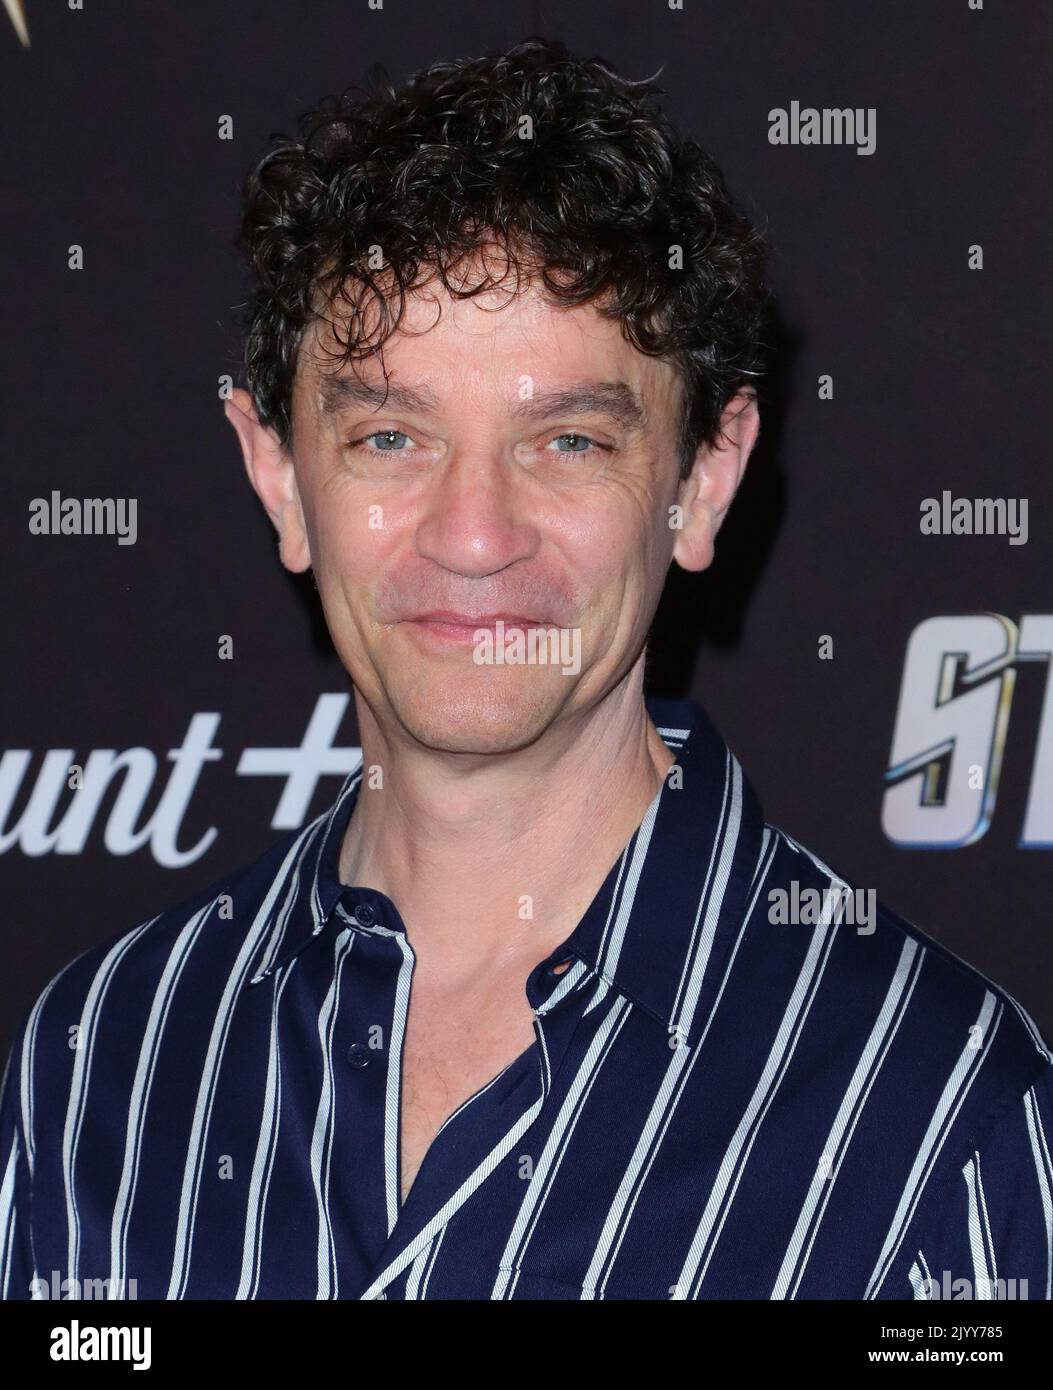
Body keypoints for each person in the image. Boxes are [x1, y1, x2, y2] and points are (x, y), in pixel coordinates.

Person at [2, 37, 1050, 1303]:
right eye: (391, 434)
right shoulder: (100, 1059)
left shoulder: (938, 1120)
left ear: (702, 480)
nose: (476, 534)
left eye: (565, 439)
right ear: (279, 473)